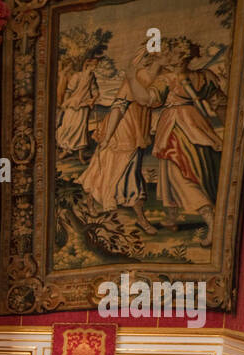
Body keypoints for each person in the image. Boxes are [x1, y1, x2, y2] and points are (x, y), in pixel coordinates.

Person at [77, 46, 162, 235]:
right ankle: (138, 217)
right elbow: (118, 107)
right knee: (111, 168)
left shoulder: (156, 77)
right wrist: (107, 137)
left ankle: (137, 216)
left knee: (124, 170)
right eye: (152, 57)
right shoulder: (137, 76)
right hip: (122, 130)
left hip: (136, 129)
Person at [148, 37, 224, 247]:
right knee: (197, 169)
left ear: (178, 55)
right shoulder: (204, 76)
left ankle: (210, 219)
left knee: (178, 172)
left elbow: (150, 100)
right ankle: (172, 217)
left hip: (176, 125)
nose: (166, 56)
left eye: (170, 52)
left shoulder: (167, 79)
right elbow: (219, 101)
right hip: (197, 124)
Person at [57, 56, 100, 162]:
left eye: (96, 66)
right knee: (68, 126)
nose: (95, 67)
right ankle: (66, 150)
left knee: (81, 129)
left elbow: (94, 90)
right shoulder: (77, 76)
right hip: (72, 104)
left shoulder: (92, 77)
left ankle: (80, 155)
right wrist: (65, 103)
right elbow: (69, 90)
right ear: (88, 65)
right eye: (94, 65)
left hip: (83, 106)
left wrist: (94, 98)